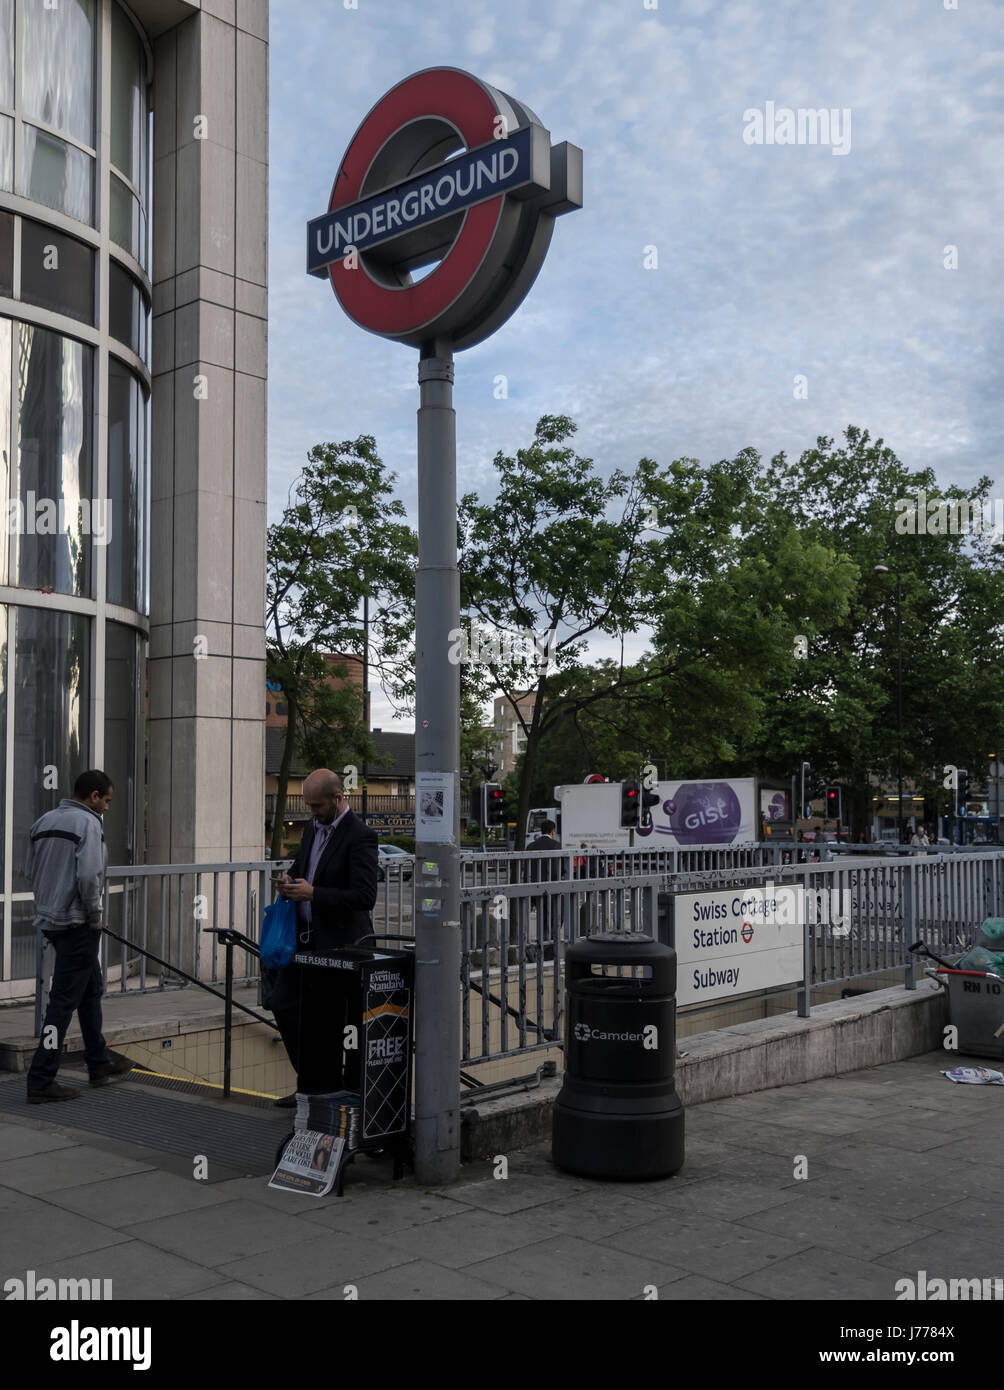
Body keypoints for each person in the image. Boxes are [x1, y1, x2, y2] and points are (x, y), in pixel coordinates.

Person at [270, 769, 378, 1106]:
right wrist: (290, 879)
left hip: (341, 944)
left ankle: (329, 1089)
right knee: (285, 1004)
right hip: (305, 941)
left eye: (317, 806)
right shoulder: (312, 830)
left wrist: (314, 894)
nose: (312, 812)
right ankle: (312, 1085)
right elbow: (304, 864)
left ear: (338, 798)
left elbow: (364, 896)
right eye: (308, 806)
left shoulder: (360, 835)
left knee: (334, 1021)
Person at [25, 770, 133, 1103]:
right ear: (94, 796)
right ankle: (42, 1079)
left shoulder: (44, 821)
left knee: (91, 990)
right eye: (107, 800)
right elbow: (89, 875)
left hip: (51, 921)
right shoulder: (88, 825)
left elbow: (29, 870)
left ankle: (98, 1062)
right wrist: (94, 915)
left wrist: (48, 904)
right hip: (77, 924)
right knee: (61, 1005)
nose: (107, 808)